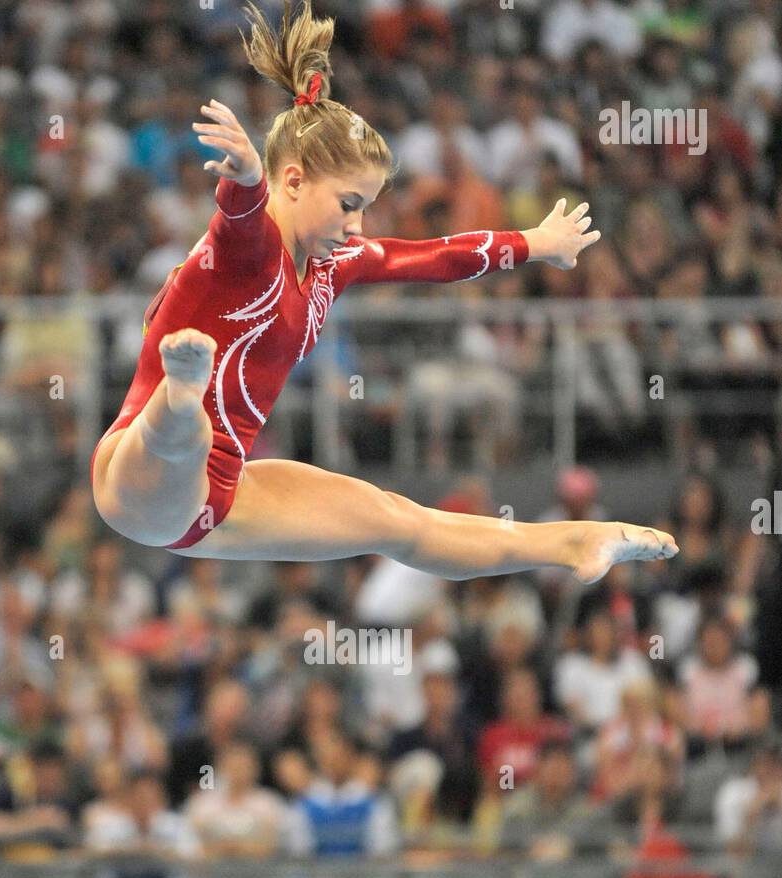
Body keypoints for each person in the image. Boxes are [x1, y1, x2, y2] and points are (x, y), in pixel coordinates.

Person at [91, 1, 677, 586]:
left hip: (223, 500)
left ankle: (575, 540)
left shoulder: (332, 265)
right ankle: (180, 394)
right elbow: (239, 220)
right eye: (349, 205)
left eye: (364, 209)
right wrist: (245, 178)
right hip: (138, 483)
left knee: (401, 523)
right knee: (183, 432)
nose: (357, 227)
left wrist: (535, 241)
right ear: (292, 179)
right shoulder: (249, 245)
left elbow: (433, 258)